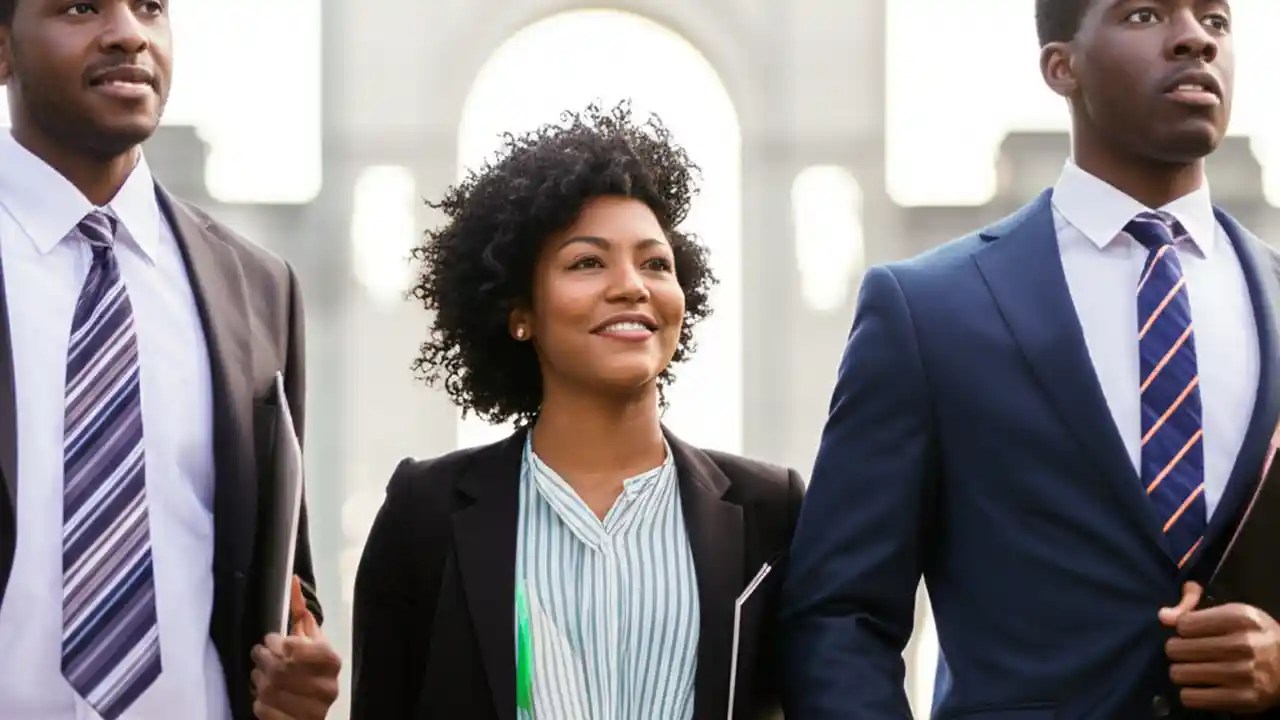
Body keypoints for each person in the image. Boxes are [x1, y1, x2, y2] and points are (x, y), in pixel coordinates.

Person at [781, 0, 1280, 718]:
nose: (1195, 38)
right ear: (1061, 65)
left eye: (1216, 19)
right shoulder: (928, 312)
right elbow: (839, 614)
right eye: (1145, 14)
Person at [350, 101, 804, 720]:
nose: (631, 285)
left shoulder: (771, 510)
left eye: (655, 263)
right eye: (588, 262)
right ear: (519, 313)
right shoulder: (425, 512)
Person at [0, 1, 340, 719]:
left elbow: (280, 577)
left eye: (150, 7)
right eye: (81, 7)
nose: (129, 32)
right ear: (3, 49)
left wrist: (295, 668)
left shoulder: (257, 289)